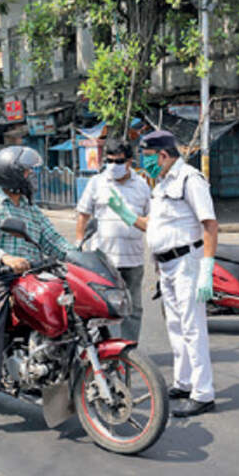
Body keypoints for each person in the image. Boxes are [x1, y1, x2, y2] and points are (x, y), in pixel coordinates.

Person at [105, 130, 219, 417]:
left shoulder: (190, 180)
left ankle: (203, 392)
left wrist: (207, 268)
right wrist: (126, 214)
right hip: (167, 265)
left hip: (187, 263)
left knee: (193, 328)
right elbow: (153, 226)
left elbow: (209, 224)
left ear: (164, 155)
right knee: (176, 327)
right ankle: (184, 382)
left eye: (148, 157)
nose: (144, 164)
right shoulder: (162, 183)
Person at [0, 146, 74, 440]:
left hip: (34, 275)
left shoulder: (30, 208)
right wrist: (5, 258)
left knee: (71, 311)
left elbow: (54, 240)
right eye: (27, 171)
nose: (32, 175)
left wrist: (81, 256)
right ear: (12, 175)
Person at [75, 138, 150, 341]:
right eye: (109, 161)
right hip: (103, 260)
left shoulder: (142, 186)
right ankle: (106, 349)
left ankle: (128, 349)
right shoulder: (96, 183)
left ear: (130, 161)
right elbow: (83, 214)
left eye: (119, 161)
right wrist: (79, 242)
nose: (113, 165)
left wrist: (129, 216)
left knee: (133, 308)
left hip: (133, 259)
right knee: (103, 307)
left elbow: (150, 222)